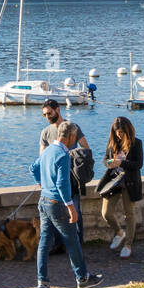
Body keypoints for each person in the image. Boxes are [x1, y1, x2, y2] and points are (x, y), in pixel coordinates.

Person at [31, 121, 102, 288]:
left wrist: (41, 183)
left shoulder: (47, 151)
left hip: (44, 201)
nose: (75, 140)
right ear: (70, 136)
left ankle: (43, 283)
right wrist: (71, 207)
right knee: (72, 240)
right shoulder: (63, 155)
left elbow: (33, 168)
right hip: (58, 204)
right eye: (75, 136)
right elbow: (62, 183)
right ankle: (82, 277)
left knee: (44, 242)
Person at [39, 98, 92, 245]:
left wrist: (70, 156)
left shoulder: (72, 127)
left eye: (49, 113)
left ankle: (79, 243)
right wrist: (41, 179)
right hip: (53, 179)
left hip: (72, 177)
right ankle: (58, 245)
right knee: (55, 213)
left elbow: (86, 149)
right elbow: (42, 158)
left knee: (76, 211)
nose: (47, 117)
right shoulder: (45, 132)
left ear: (58, 109)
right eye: (44, 115)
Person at [99, 116, 143, 259]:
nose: (119, 135)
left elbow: (138, 165)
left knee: (129, 214)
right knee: (106, 213)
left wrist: (121, 163)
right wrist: (110, 163)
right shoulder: (112, 142)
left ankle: (128, 244)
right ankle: (119, 232)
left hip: (129, 182)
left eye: (122, 132)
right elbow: (105, 160)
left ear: (128, 131)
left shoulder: (136, 144)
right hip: (113, 182)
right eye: (117, 132)